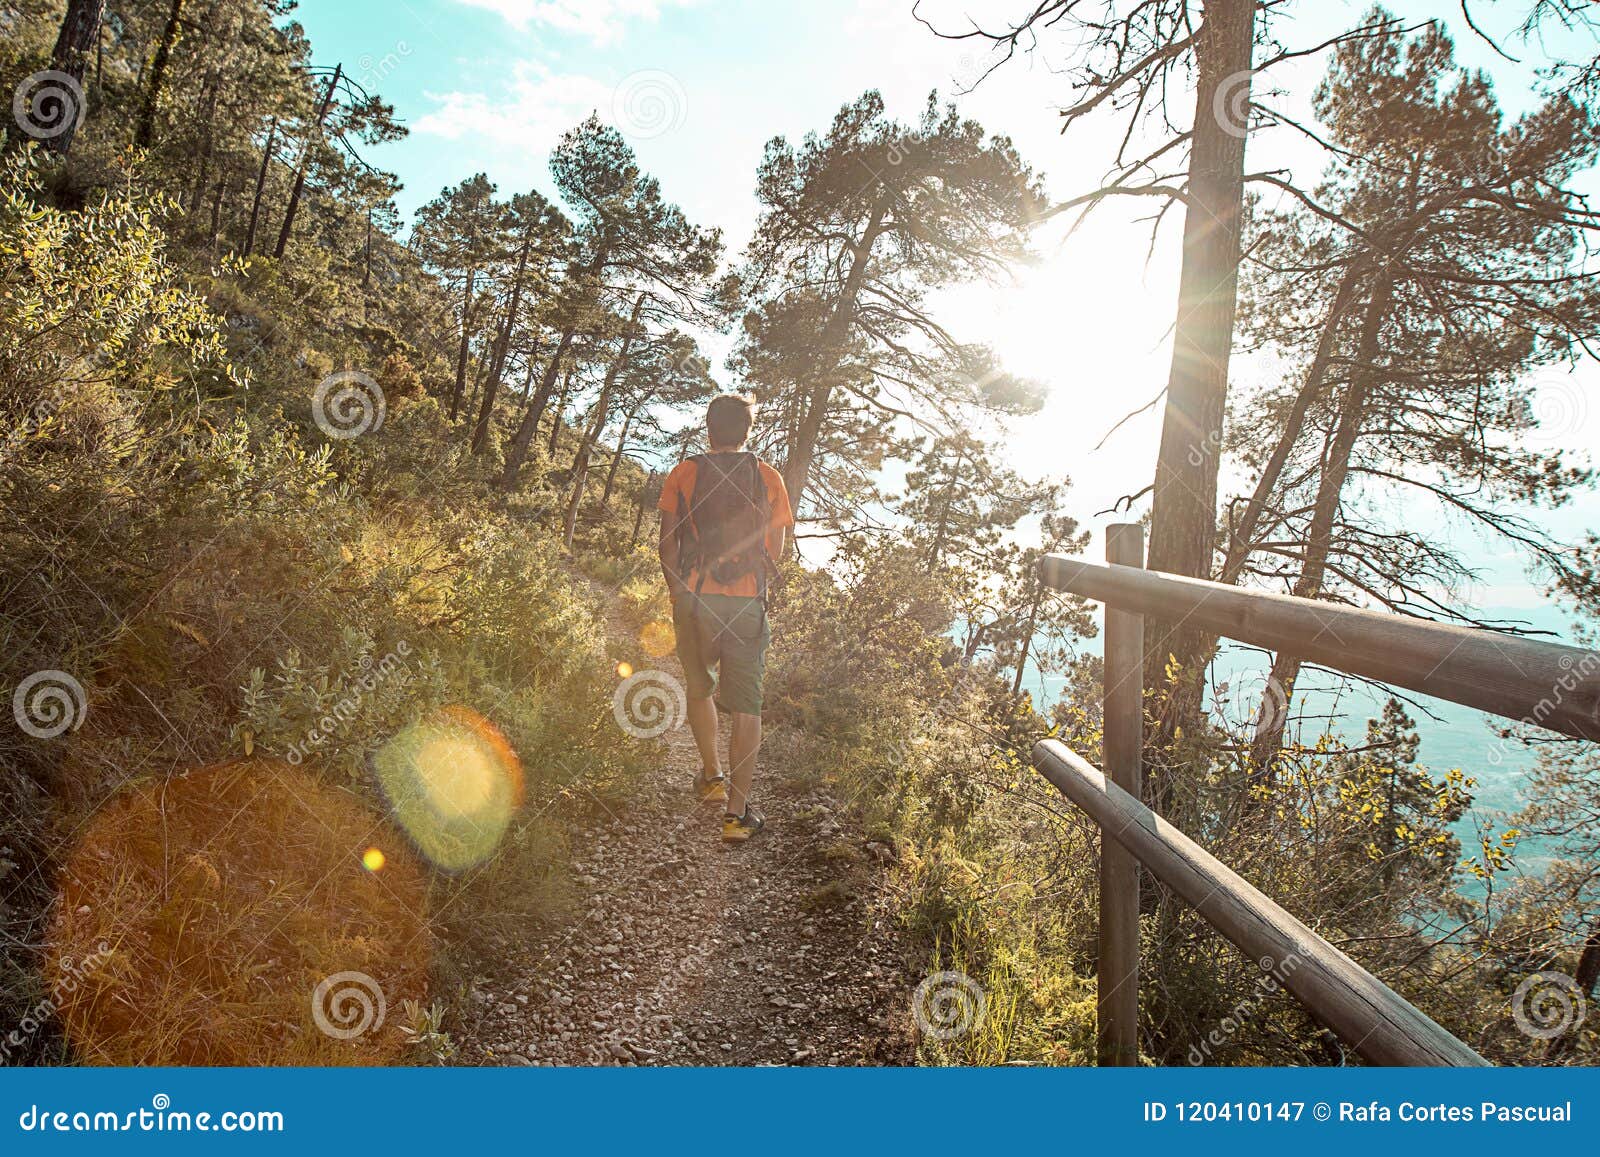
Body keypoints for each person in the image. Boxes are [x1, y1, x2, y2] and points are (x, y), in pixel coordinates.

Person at [658, 394, 792, 842]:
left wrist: (679, 591)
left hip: (697, 600)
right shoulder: (769, 477)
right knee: (747, 706)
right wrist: (753, 588)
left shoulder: (684, 472)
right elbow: (779, 550)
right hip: (746, 605)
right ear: (748, 431)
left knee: (700, 688)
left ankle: (712, 777)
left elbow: (668, 542)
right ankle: (736, 817)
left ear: (709, 428)